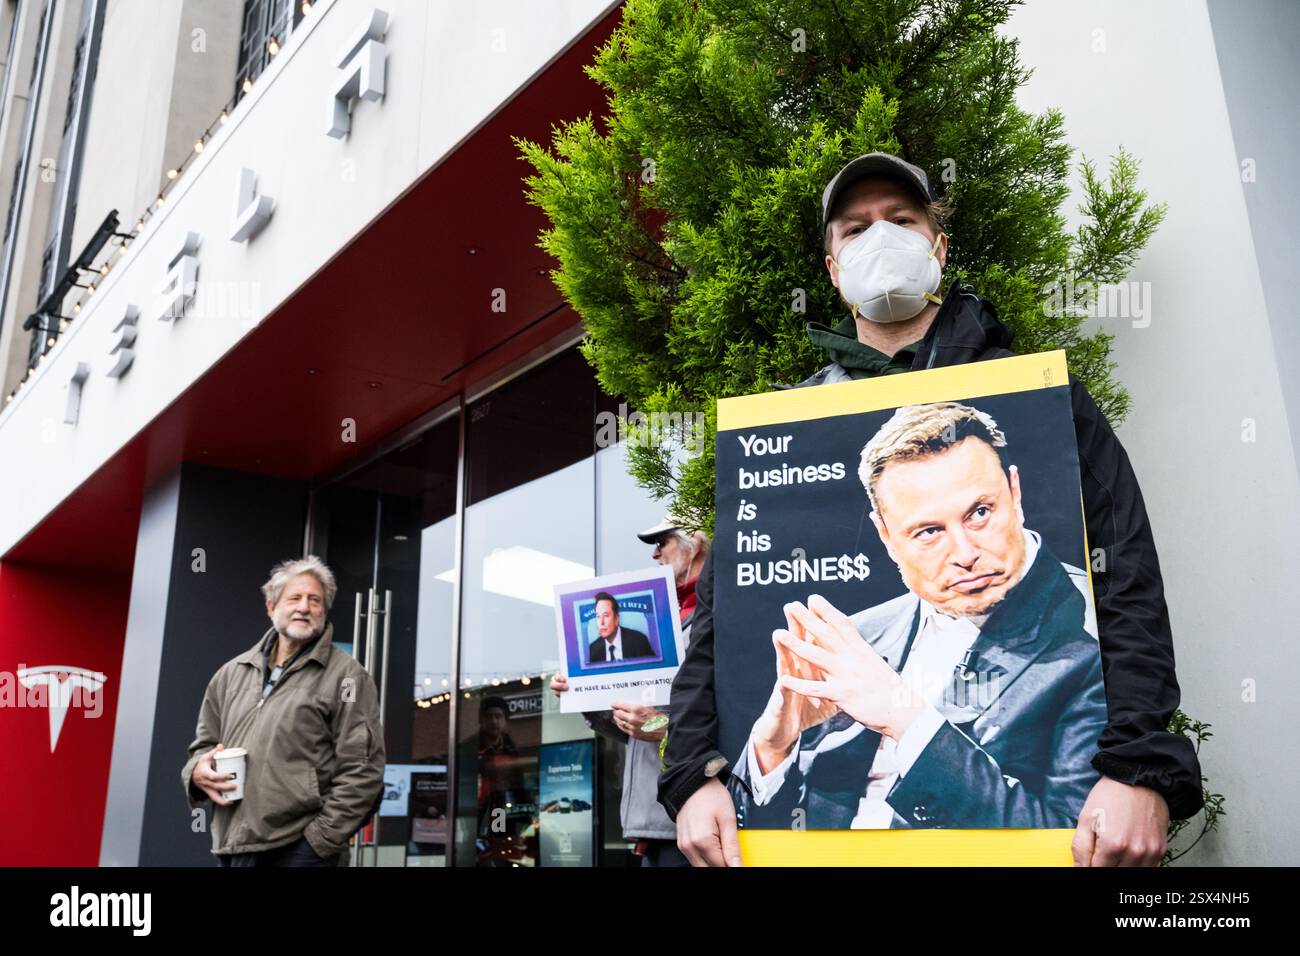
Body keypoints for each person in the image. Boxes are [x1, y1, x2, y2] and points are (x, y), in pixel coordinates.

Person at [659, 152, 1203, 867]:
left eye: (902, 220)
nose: (880, 239)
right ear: (832, 268)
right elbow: (719, 626)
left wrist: (1139, 770)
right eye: (855, 229)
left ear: (938, 248)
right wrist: (696, 773)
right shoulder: (791, 425)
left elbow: (1125, 573)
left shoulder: (1041, 398)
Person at [731, 402, 1108, 829]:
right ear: (885, 536)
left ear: (1015, 492)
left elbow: (1073, 843)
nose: (965, 554)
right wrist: (772, 749)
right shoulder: (860, 636)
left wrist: (904, 717)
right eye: (929, 532)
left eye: (980, 513)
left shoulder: (1095, 631)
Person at [183, 556, 385, 867]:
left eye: (314, 600)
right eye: (295, 598)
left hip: (299, 851)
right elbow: (203, 746)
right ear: (271, 606)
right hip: (234, 847)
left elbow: (363, 773)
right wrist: (196, 772)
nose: (304, 607)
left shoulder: (348, 677)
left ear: (324, 610)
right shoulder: (231, 673)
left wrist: (317, 844)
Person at [552, 515, 709, 866]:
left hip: (689, 825)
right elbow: (637, 730)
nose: (655, 555)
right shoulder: (666, 621)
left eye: (661, 543)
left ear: (695, 542)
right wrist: (583, 695)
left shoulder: (712, 618)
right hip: (652, 828)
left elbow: (725, 721)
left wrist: (655, 726)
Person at [587, 591, 655, 662]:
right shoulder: (593, 649)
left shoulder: (639, 641)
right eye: (598, 616)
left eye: (606, 615)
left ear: (616, 619)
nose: (601, 622)